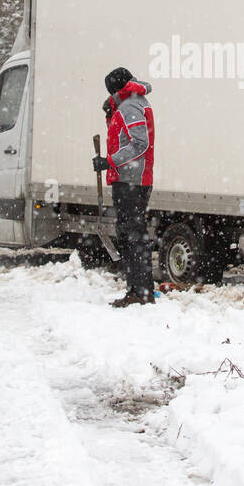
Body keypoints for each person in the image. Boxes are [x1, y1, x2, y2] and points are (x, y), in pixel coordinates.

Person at [93, 67, 155, 307]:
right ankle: (140, 290)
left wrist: (109, 161)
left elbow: (139, 143)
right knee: (134, 235)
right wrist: (111, 116)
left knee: (131, 237)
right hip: (135, 179)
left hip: (130, 181)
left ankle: (139, 292)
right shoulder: (136, 102)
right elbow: (122, 135)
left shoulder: (130, 105)